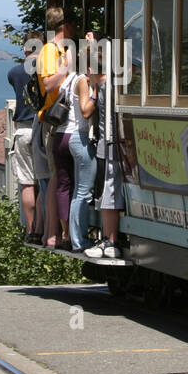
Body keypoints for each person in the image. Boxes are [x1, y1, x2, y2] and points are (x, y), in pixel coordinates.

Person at [37, 10, 75, 248]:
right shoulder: (50, 50)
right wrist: (68, 66)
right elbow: (49, 84)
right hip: (54, 121)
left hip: (60, 122)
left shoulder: (56, 50)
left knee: (57, 178)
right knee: (56, 179)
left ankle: (53, 232)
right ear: (66, 26)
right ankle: (51, 233)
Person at [85, 38, 124, 259]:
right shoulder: (105, 85)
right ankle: (107, 239)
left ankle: (110, 240)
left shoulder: (105, 87)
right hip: (108, 144)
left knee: (108, 194)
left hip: (110, 144)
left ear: (91, 69)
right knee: (106, 193)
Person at [67, 38, 101, 252]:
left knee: (80, 191)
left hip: (77, 138)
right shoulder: (83, 81)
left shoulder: (78, 78)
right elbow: (86, 110)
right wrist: (96, 92)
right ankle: (79, 240)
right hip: (80, 138)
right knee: (83, 192)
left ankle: (77, 237)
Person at [8, 31, 42, 242]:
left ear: (24, 48)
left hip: (22, 130)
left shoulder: (14, 72)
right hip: (44, 127)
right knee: (45, 182)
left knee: (27, 183)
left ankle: (31, 230)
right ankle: (45, 227)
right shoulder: (49, 68)